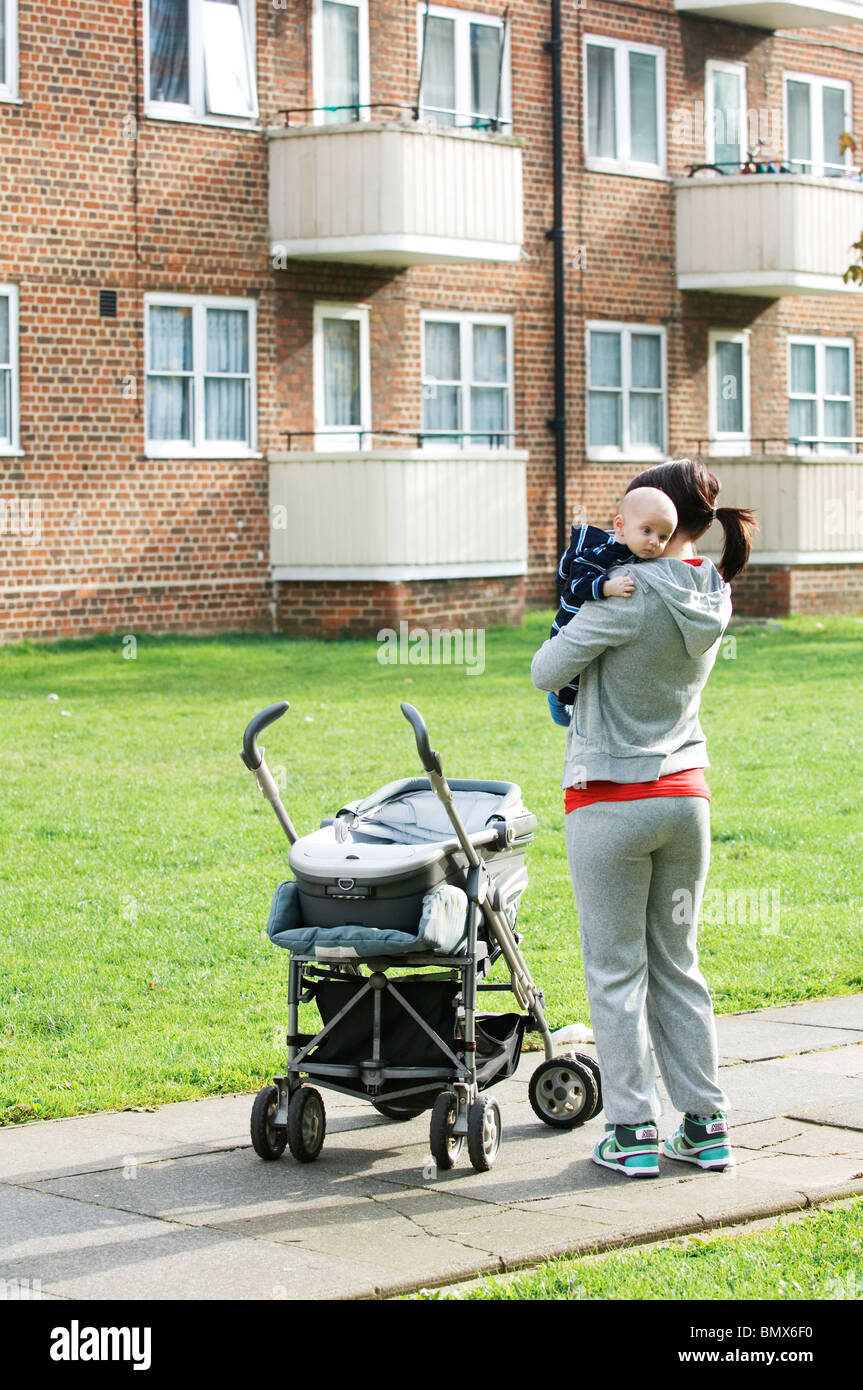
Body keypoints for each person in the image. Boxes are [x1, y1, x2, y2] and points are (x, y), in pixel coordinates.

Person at [531, 458, 756, 1178]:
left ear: (657, 527)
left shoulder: (624, 596)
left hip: (609, 798)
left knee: (614, 970)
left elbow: (543, 669)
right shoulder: (714, 595)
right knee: (678, 965)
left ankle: (630, 1132)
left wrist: (586, 599)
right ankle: (704, 1124)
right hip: (684, 797)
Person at [547, 486, 679, 727]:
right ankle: (557, 699)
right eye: (647, 530)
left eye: (662, 537)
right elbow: (577, 583)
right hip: (570, 622)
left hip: (595, 628)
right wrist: (607, 587)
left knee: (592, 674)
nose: (653, 542)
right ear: (620, 525)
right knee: (569, 679)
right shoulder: (604, 551)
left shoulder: (637, 557)